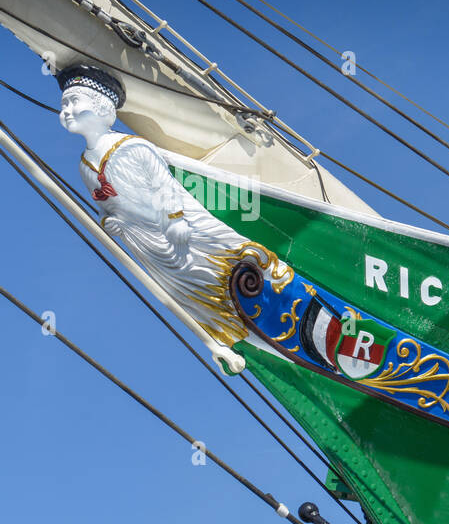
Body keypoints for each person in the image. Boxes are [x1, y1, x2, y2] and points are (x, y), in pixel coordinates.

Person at [57, 63, 290, 348]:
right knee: (184, 285)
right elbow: (107, 208)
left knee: (220, 257)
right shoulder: (84, 167)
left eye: (73, 101)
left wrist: (176, 218)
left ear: (103, 107)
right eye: (63, 105)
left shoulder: (130, 146)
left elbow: (162, 184)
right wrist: (109, 223)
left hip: (174, 224)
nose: (66, 110)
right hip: (145, 240)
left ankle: (262, 287)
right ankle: (224, 315)